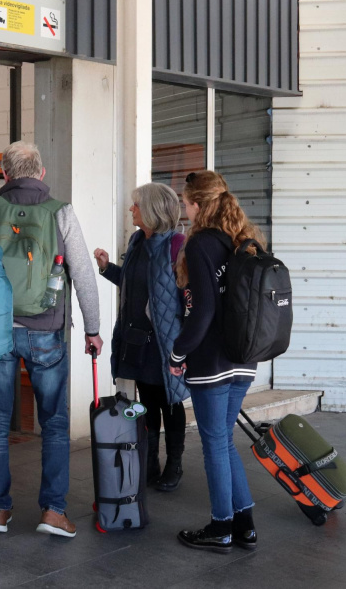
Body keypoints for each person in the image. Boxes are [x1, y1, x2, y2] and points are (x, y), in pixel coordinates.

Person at [0, 140, 103, 538]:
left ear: (4, 174)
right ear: (42, 173)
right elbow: (83, 274)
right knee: (54, 422)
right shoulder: (60, 211)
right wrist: (93, 329)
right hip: (46, 330)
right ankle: (53, 511)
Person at [168, 171, 259, 553]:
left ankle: (221, 526)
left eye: (186, 204)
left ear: (197, 205)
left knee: (214, 444)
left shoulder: (202, 244)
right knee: (223, 441)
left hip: (212, 363)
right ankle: (245, 525)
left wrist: (178, 352)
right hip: (244, 358)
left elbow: (202, 311)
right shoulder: (241, 240)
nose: (185, 211)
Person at [93, 183, 189, 492]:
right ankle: (150, 463)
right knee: (147, 404)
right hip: (137, 342)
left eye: (136, 205)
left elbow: (186, 296)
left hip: (164, 343)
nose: (131, 209)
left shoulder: (177, 245)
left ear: (151, 210)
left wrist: (187, 341)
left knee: (170, 404)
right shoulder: (137, 241)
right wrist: (107, 268)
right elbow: (132, 282)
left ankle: (174, 465)